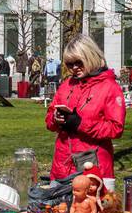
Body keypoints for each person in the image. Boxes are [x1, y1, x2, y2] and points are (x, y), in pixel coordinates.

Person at [45, 33, 126, 181]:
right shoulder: (67, 85)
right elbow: (49, 119)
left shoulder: (109, 88)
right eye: (70, 64)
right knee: (59, 205)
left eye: (79, 62)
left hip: (92, 165)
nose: (74, 68)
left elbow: (116, 128)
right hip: (61, 165)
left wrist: (80, 124)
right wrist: (56, 119)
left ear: (90, 57)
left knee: (90, 204)